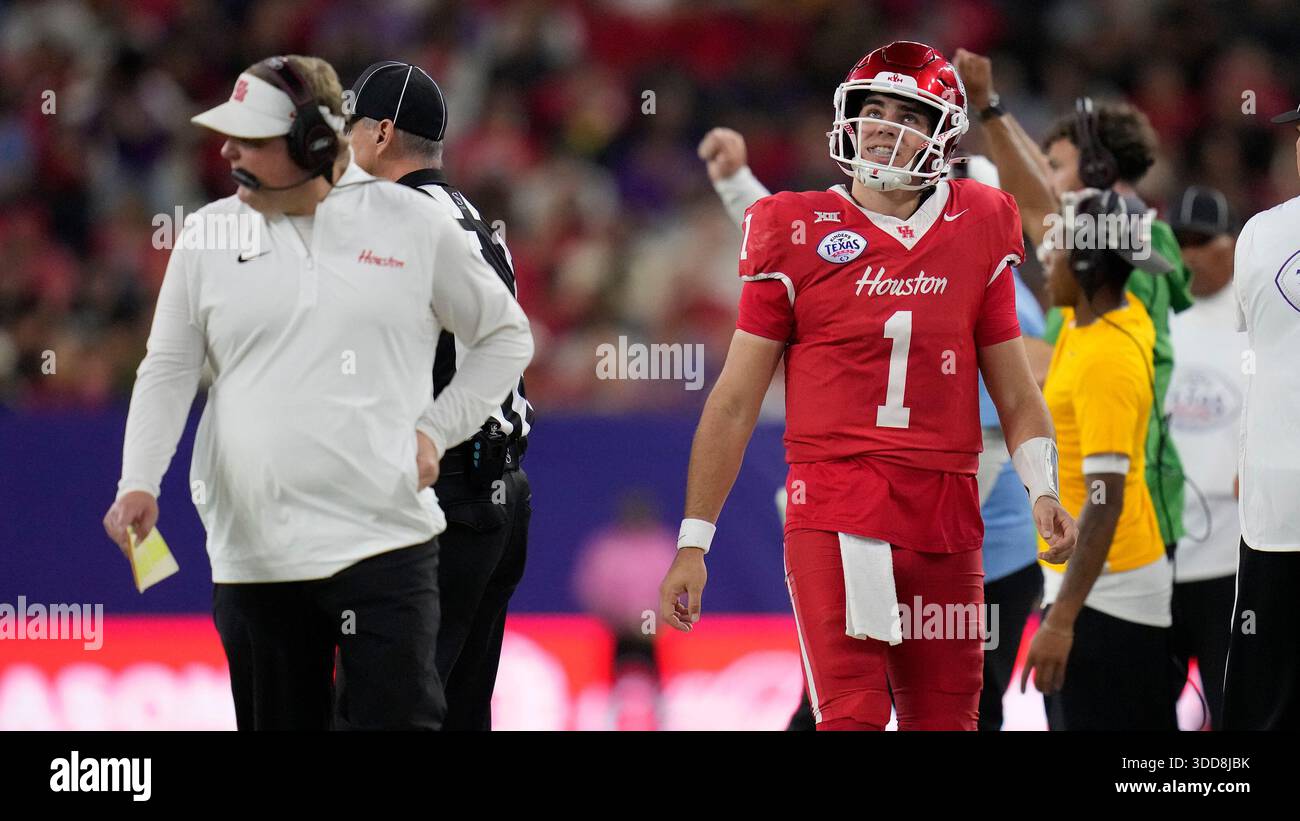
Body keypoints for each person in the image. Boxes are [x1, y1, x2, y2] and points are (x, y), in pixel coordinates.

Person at [101, 55, 534, 730]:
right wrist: (142, 477)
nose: (228, 151)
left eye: (254, 137)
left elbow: (502, 339)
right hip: (428, 500)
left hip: (417, 505)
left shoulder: (398, 222)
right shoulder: (223, 233)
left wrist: (432, 432)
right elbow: (168, 366)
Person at [660, 41, 1077, 732]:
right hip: (837, 503)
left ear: (942, 130)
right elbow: (733, 401)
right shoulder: (791, 224)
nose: (883, 124)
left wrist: (1043, 489)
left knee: (949, 721)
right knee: (849, 715)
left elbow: (1015, 386)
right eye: (871, 108)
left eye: (905, 112)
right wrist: (693, 540)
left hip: (948, 514)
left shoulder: (980, 220)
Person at [344, 60, 534, 731]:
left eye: (351, 126)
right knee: (454, 714)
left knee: (378, 711)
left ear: (382, 133)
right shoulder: (465, 214)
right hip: (497, 493)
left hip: (443, 499)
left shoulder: (398, 224)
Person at [954, 49, 1193, 558]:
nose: (1047, 177)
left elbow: (1040, 205)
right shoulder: (1095, 261)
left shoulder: (1130, 243)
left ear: (1098, 171)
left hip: (1120, 508)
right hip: (1092, 501)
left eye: (1057, 166)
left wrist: (990, 108)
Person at [1021, 189, 1178, 730]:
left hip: (1105, 595)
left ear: (1086, 263)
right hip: (1099, 582)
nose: (1045, 255)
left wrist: (1062, 619)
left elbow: (1104, 500)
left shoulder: (1104, 358)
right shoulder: (1100, 319)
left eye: (1057, 246)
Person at [1222, 104, 1300, 730]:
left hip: (1277, 507)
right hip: (1274, 510)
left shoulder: (1259, 235)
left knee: (1266, 700)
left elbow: (1249, 336)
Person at [1164, 186, 1245, 730]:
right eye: (1181, 242)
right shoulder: (1151, 310)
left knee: (1236, 710)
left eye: (1203, 241)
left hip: (1234, 562)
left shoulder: (1261, 311)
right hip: (1158, 556)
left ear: (1235, 244)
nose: (1190, 255)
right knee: (1146, 714)